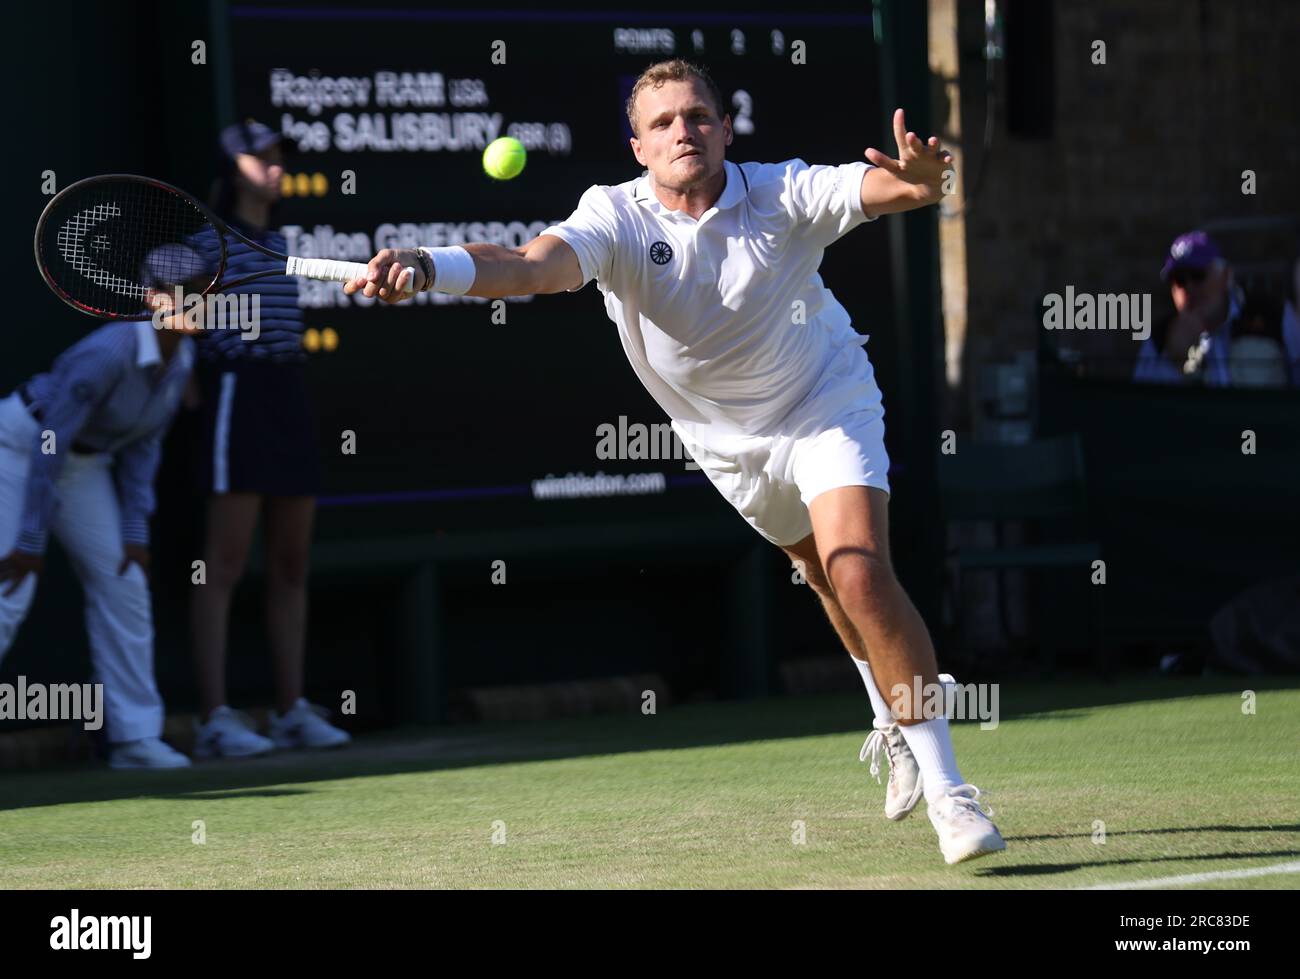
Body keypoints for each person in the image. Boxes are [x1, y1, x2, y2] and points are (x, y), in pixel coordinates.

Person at [346, 59, 1004, 865]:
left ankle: (949, 788)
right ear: (638, 146)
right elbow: (528, 266)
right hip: (723, 439)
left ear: (727, 130)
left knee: (860, 568)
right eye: (662, 123)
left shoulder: (781, 191)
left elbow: (893, 193)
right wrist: (430, 262)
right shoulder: (614, 219)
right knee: (825, 577)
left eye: (697, 116)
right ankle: (885, 717)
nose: (682, 131)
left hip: (824, 397)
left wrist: (927, 181)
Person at [0, 248, 201, 769]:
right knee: (10, 589)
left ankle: (135, 740)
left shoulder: (182, 358)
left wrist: (135, 531)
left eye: (210, 290)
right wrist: (29, 542)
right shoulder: (108, 353)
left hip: (85, 466)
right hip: (22, 448)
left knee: (125, 580)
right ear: (153, 299)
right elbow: (52, 443)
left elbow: (144, 447)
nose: (205, 302)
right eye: (190, 293)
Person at [188, 119, 350, 758]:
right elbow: (170, 317)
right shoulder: (206, 244)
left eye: (280, 155)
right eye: (262, 157)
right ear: (235, 169)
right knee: (222, 564)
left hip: (287, 394)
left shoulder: (281, 239)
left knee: (290, 564)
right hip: (235, 393)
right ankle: (214, 719)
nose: (277, 165)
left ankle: (289, 710)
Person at [1134, 230, 1300, 386]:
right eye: (1179, 280)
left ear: (1225, 276)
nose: (1189, 288)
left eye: (1198, 275)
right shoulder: (1159, 339)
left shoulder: (1274, 316)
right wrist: (1175, 363)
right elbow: (1144, 409)